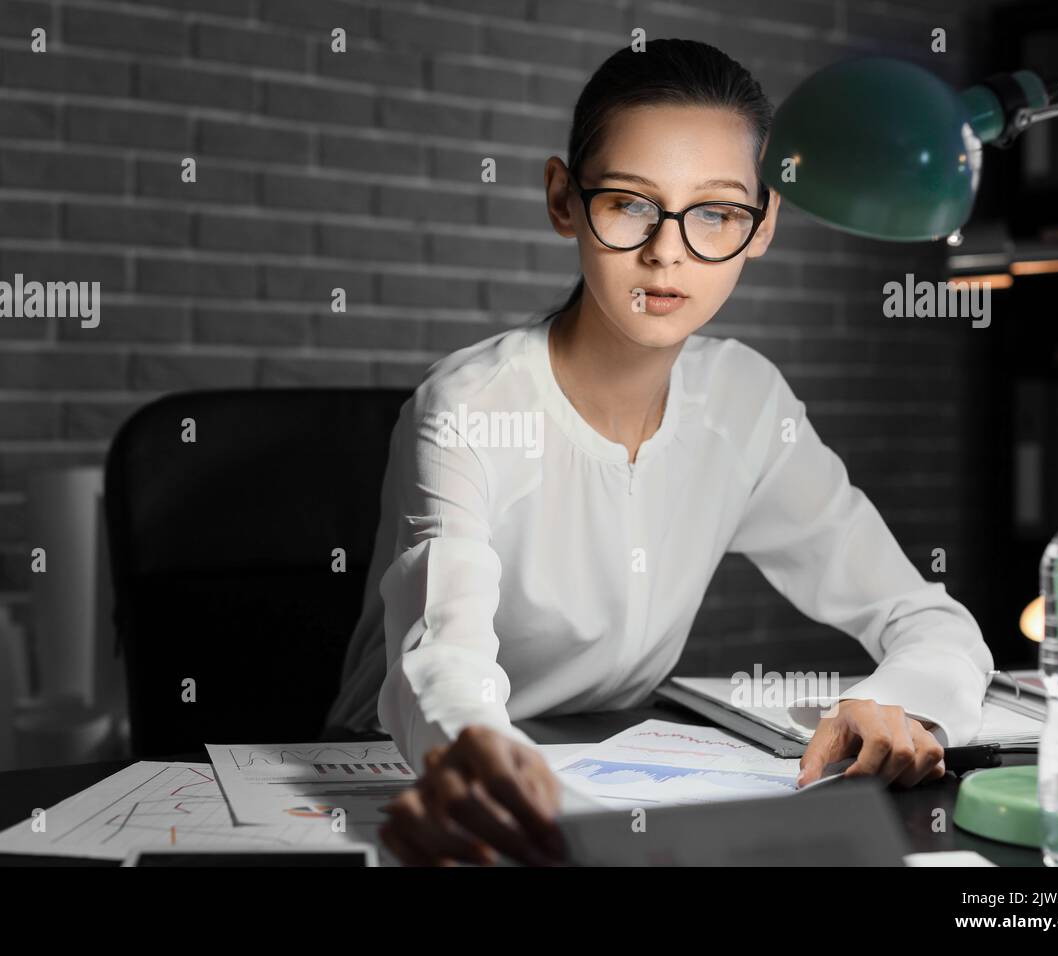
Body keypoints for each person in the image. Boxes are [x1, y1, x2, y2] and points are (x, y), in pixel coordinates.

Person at [323, 38, 994, 866]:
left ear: (763, 225)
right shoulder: (467, 407)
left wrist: (900, 707)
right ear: (564, 201)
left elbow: (927, 621)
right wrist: (481, 758)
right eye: (632, 204)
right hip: (408, 781)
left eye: (715, 211)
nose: (668, 251)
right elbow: (441, 662)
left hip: (617, 777)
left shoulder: (744, 403)